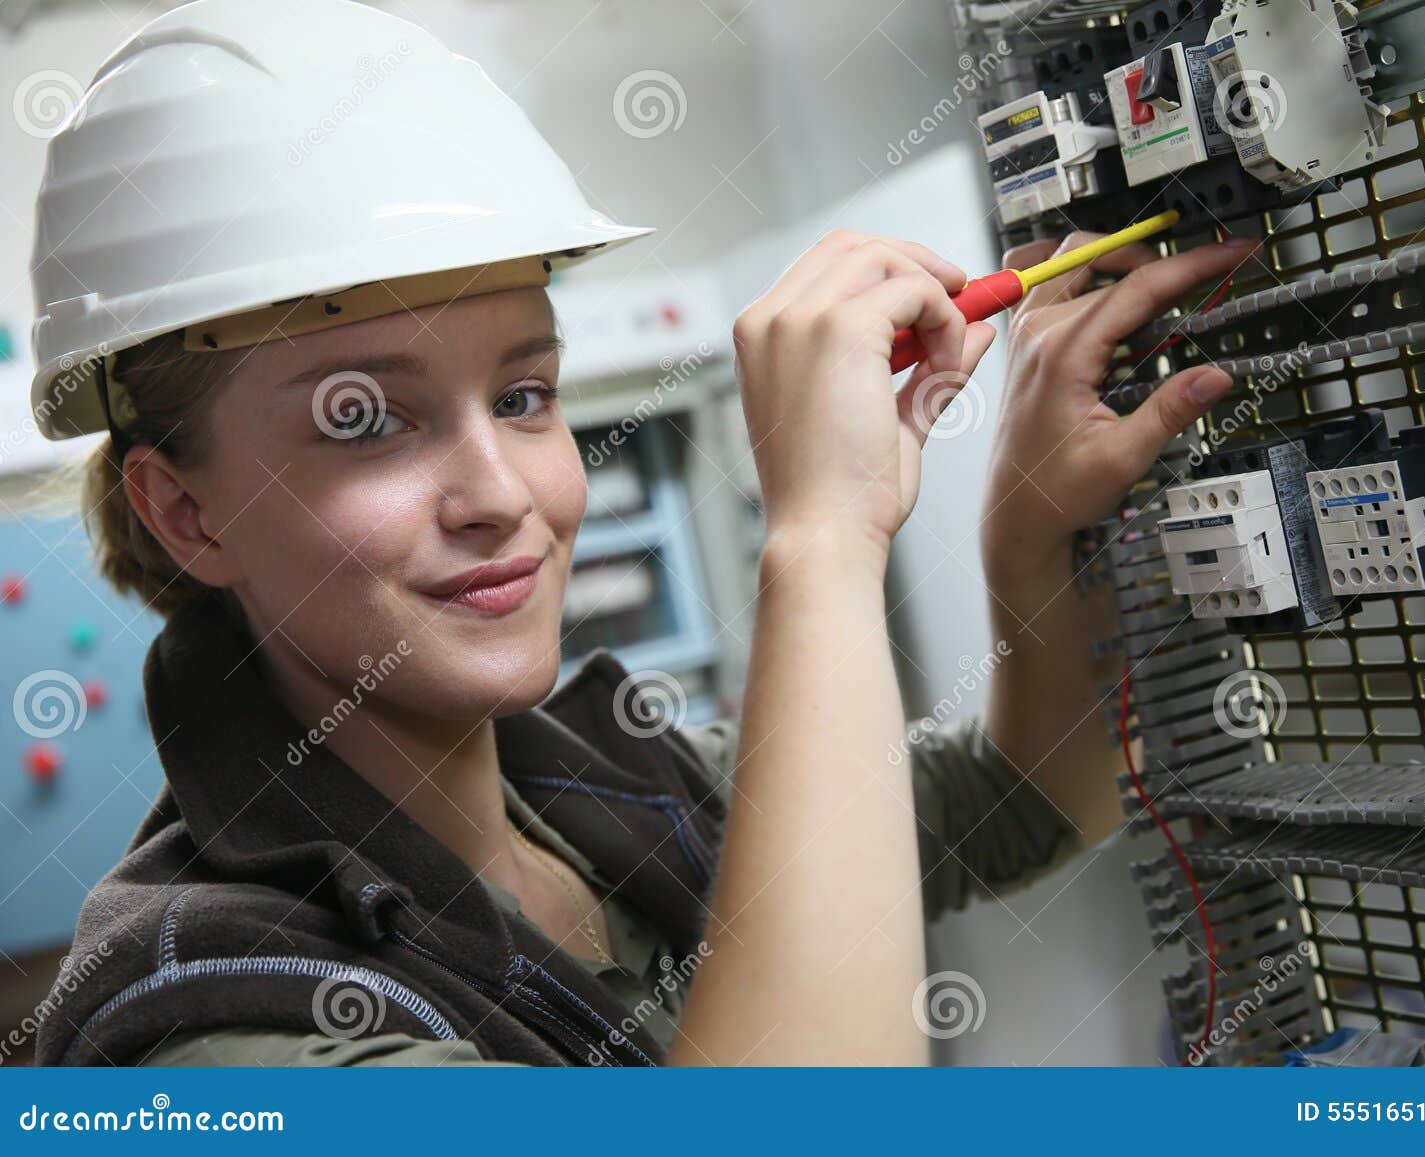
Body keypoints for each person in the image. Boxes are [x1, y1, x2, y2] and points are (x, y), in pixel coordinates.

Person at [25, 0, 1256, 1066]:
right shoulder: (204, 1016)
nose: (498, 490)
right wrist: (819, 541)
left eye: (521, 395)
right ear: (184, 510)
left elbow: (1028, 795)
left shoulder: (613, 782)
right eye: (368, 422)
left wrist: (1034, 532)